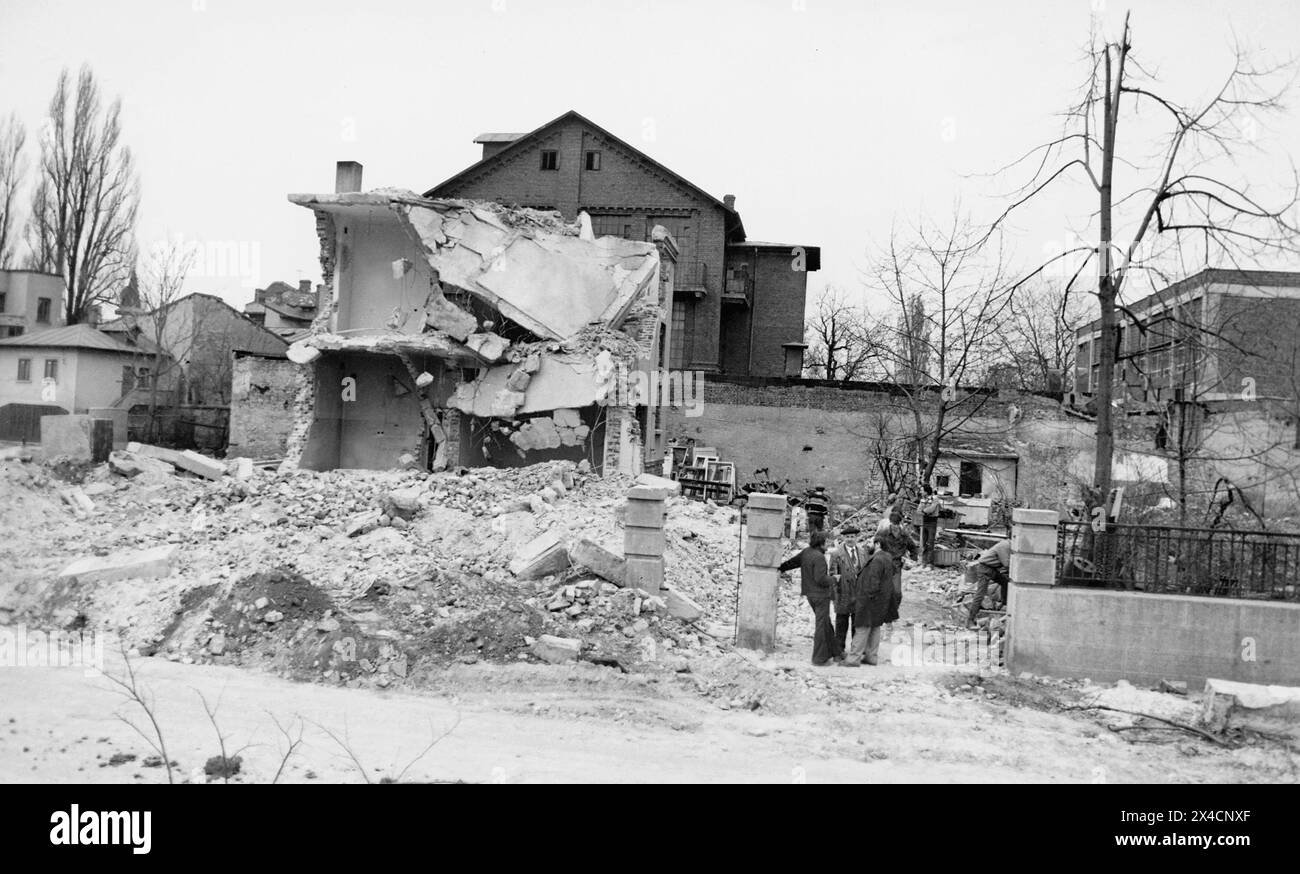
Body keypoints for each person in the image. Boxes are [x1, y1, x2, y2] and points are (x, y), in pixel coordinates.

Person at [778, 530, 841, 666]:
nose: (828, 545)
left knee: (825, 623)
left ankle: (836, 653)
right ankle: (819, 658)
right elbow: (821, 579)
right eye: (827, 542)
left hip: (810, 595)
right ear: (821, 543)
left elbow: (793, 562)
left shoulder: (806, 552)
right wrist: (834, 579)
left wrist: (780, 568)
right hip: (820, 596)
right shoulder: (819, 557)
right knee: (821, 626)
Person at [841, 548, 899, 667]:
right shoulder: (887, 558)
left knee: (862, 627)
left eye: (872, 542)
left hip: (870, 600)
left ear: (878, 544)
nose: (869, 545)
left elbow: (873, 582)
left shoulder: (877, 560)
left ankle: (853, 659)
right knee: (875, 627)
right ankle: (871, 657)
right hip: (881, 600)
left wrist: (864, 599)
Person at [828, 527, 866, 654]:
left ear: (857, 538)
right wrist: (836, 595)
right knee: (841, 623)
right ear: (843, 538)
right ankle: (839, 651)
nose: (850, 539)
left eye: (852, 537)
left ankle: (856, 650)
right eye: (848, 537)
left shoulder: (862, 552)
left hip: (858, 593)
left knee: (857, 623)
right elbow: (832, 575)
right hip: (843, 592)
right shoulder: (836, 554)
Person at [966, 538, 1011, 628]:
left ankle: (1003, 605)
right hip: (984, 568)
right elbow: (1007, 564)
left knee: (1005, 582)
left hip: (992, 569)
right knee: (980, 594)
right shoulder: (1005, 545)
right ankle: (970, 619)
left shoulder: (1008, 545)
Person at [874, 508, 917, 598]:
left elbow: (913, 547)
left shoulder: (904, 535)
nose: (895, 526)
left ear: (900, 523)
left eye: (897, 524)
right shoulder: (883, 533)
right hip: (884, 565)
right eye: (893, 523)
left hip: (897, 565)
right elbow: (875, 545)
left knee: (897, 593)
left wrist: (913, 560)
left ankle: (893, 610)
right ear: (890, 522)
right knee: (884, 591)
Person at [918, 485, 942, 566]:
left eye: (922, 490)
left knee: (930, 543)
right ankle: (924, 562)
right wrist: (925, 511)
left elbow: (931, 509)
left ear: (926, 491)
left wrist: (924, 511)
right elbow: (918, 510)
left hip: (932, 522)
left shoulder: (935, 499)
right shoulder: (923, 499)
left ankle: (930, 564)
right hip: (924, 521)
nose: (920, 492)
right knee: (924, 543)